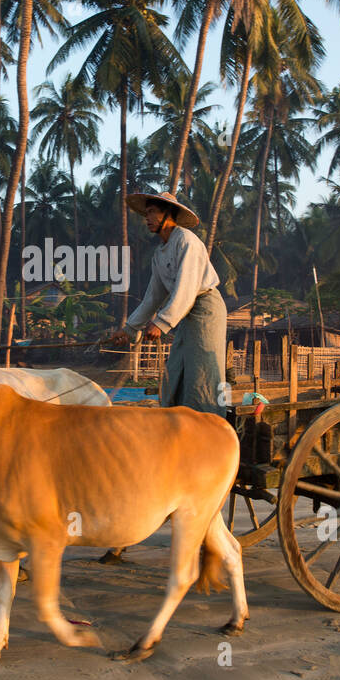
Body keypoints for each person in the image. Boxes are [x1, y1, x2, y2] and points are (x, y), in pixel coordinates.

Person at [107, 190, 225, 564]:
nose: (147, 217)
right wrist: (129, 328)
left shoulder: (188, 242)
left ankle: (209, 439)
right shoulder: (160, 255)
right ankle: (177, 442)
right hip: (182, 314)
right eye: (147, 212)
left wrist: (162, 323)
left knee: (202, 377)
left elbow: (189, 289)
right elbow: (153, 296)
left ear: (168, 215)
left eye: (152, 212)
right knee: (174, 377)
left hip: (204, 309)